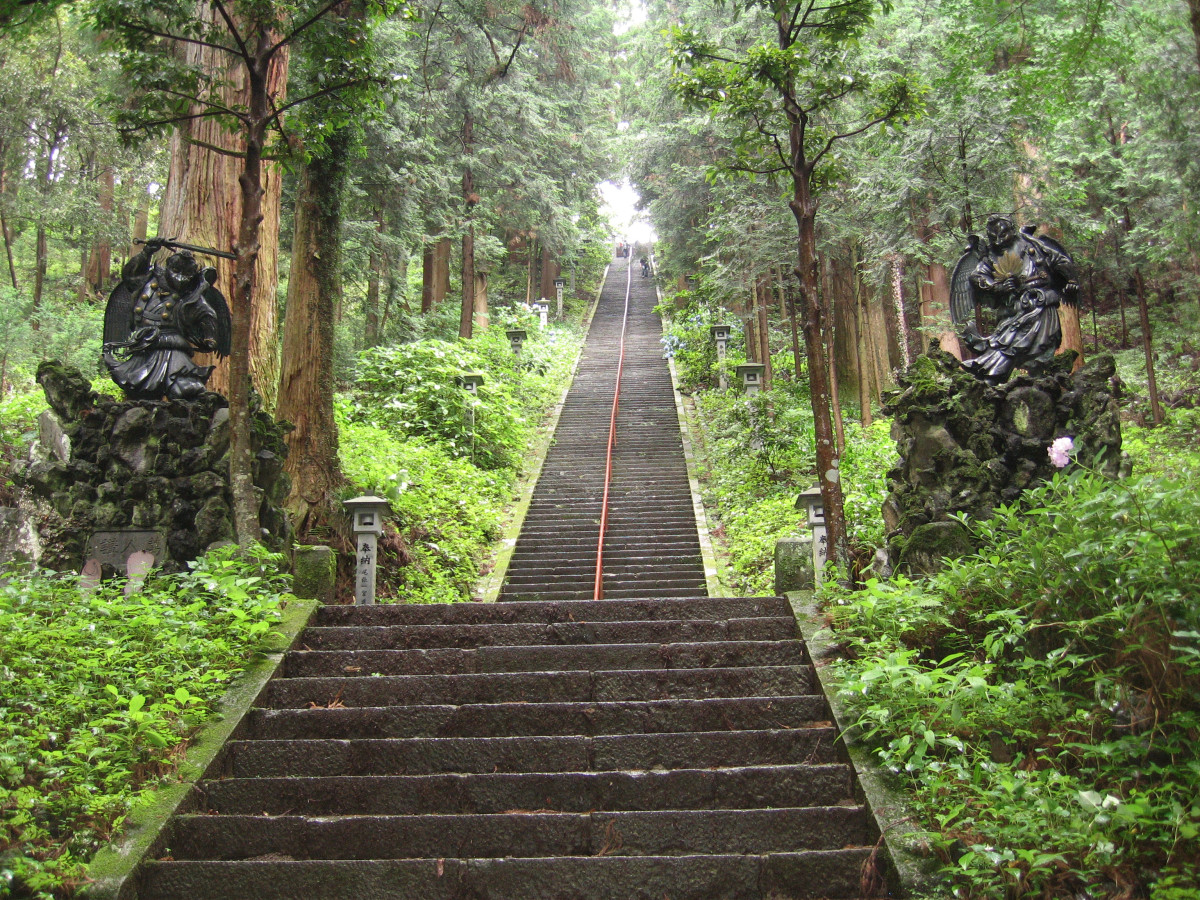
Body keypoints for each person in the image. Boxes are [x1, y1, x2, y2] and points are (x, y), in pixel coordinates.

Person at [102, 239, 231, 400]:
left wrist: (209, 336)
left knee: (182, 388)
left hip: (173, 350)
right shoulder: (148, 281)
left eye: (187, 275)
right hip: (144, 346)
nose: (181, 278)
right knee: (136, 386)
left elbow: (207, 313)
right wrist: (147, 252)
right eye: (176, 271)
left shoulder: (190, 295)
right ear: (169, 267)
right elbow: (130, 276)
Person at [960, 214, 1078, 385]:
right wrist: (996, 286)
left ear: (1012, 230)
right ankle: (990, 374)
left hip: (1042, 302)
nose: (999, 241)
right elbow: (977, 276)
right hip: (1014, 307)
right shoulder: (991, 255)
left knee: (1041, 344)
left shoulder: (1032, 245)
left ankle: (1036, 379)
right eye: (994, 237)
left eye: (1003, 234)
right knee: (1009, 342)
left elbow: (1060, 261)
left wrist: (1071, 280)